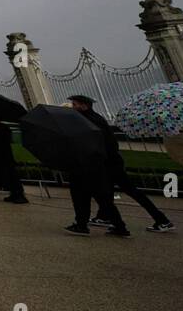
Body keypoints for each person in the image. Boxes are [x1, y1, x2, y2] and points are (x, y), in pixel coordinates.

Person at [69, 95, 172, 233]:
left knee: (128, 192)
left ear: (84, 106)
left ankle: (161, 219)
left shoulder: (90, 121)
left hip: (108, 163)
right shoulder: (95, 118)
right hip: (111, 161)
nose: (73, 107)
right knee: (108, 193)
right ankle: (104, 217)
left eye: (75, 104)